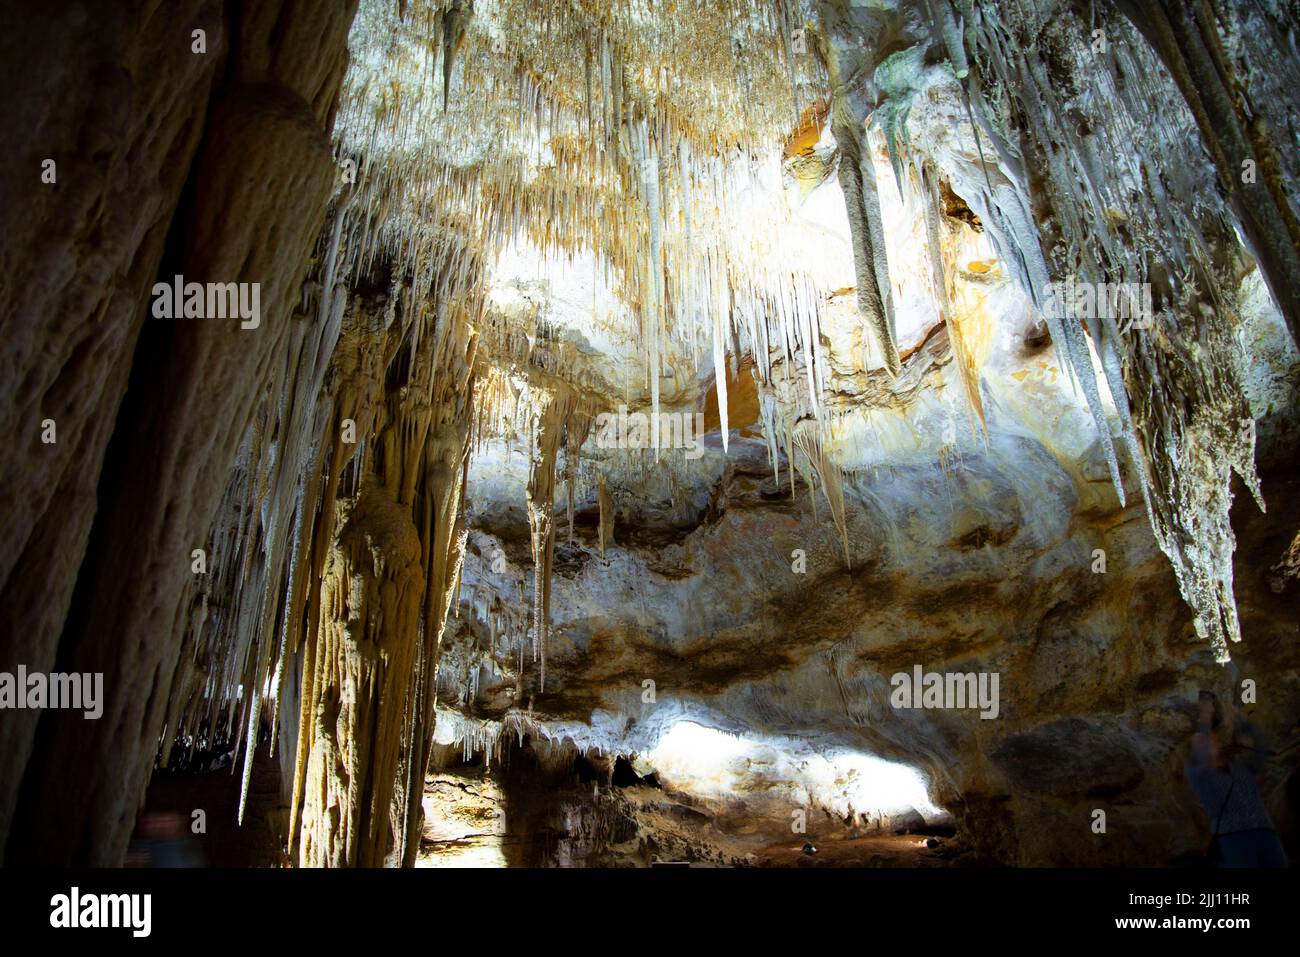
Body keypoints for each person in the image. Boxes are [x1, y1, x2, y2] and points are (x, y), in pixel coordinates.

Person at [1185, 691, 1287, 867]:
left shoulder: (1239, 767)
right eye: (1199, 741)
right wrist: (1205, 718)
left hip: (1265, 831)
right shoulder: (1199, 775)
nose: (1205, 741)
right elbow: (1201, 756)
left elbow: (1263, 748)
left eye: (1208, 738)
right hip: (1233, 836)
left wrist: (1243, 723)